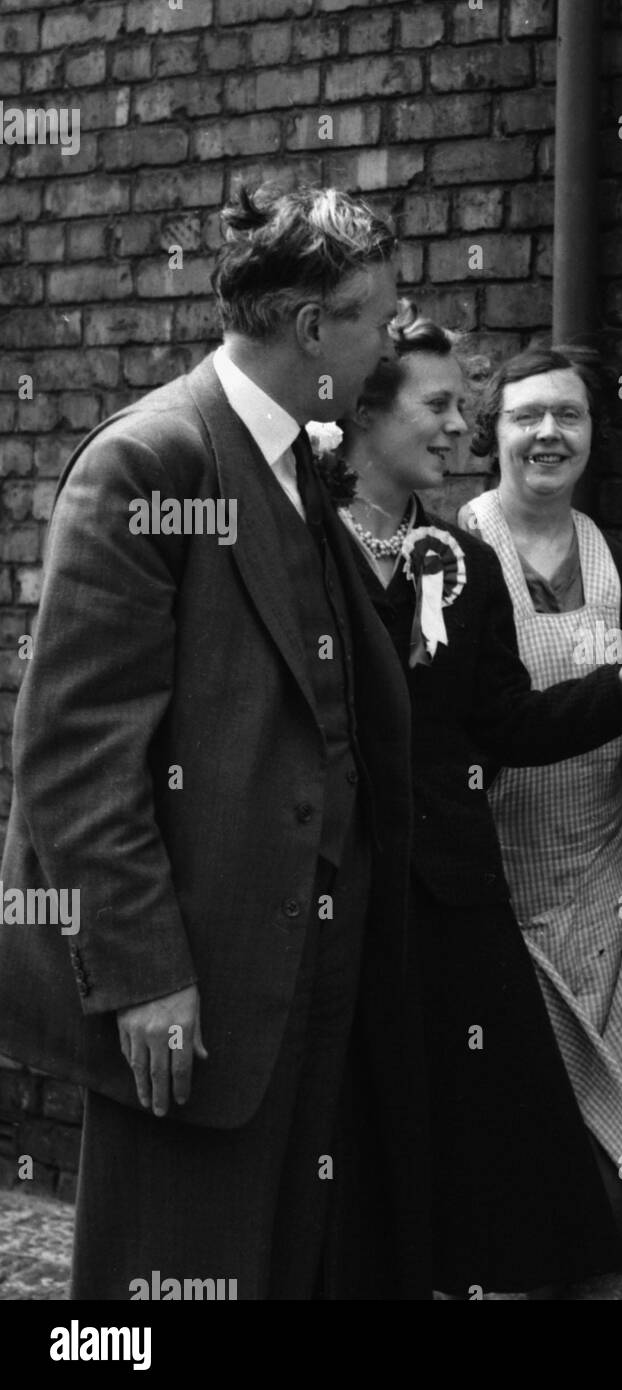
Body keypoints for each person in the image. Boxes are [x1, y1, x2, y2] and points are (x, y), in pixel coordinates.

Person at [0, 183, 426, 1298]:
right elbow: (74, 750)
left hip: (307, 947)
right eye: (377, 315)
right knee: (162, 1273)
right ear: (309, 327)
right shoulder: (151, 458)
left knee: (277, 1260)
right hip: (193, 972)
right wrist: (143, 974)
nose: (391, 338)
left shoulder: (290, 457)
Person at [315, 308, 622, 1291]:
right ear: (366, 410)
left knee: (510, 1138)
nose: (459, 429)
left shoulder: (461, 560)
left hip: (454, 893)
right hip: (335, 893)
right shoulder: (297, 548)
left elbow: (504, 723)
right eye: (440, 406)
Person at [458, 345, 622, 1223]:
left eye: (568, 415)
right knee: (535, 1078)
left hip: (606, 860)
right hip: (504, 872)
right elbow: (498, 724)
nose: (547, 432)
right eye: (526, 415)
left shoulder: (606, 553)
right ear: (492, 432)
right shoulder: (459, 554)